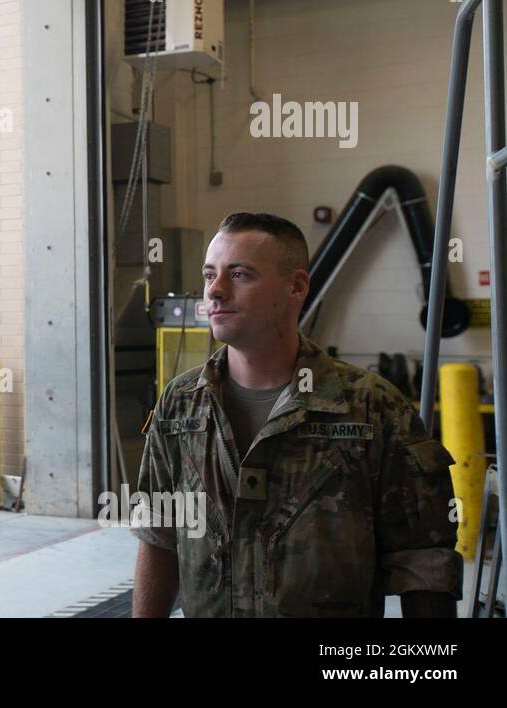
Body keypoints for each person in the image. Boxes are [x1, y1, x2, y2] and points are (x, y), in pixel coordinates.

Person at [132, 212, 462, 618]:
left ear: (297, 285)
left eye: (239, 275)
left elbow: (423, 563)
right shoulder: (179, 404)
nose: (214, 291)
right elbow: (159, 536)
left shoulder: (371, 408)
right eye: (209, 274)